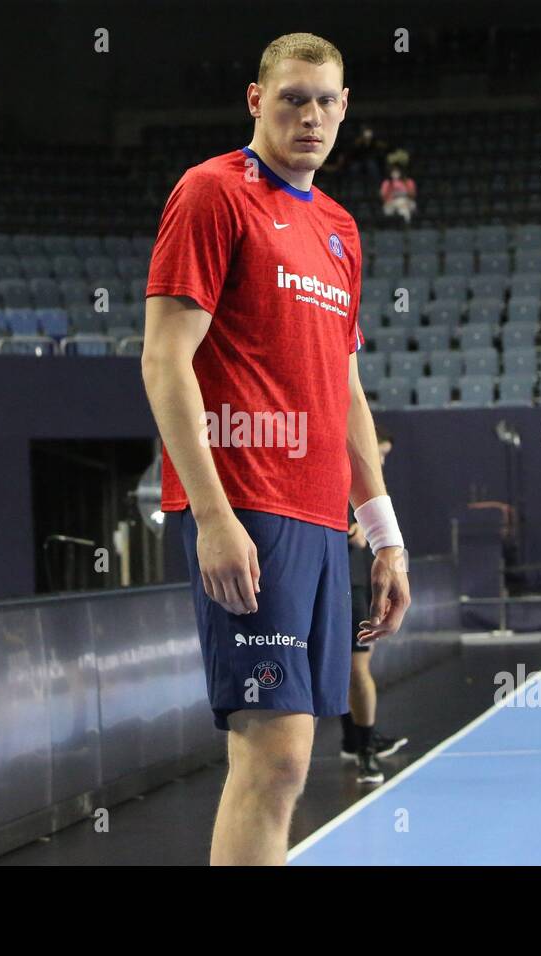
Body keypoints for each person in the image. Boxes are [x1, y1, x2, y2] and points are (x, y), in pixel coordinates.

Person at [141, 32, 411, 866]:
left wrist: (385, 530)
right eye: (294, 97)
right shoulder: (212, 194)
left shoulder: (339, 227)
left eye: (328, 101)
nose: (312, 116)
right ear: (257, 101)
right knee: (274, 755)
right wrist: (213, 516)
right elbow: (163, 358)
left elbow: (346, 390)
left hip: (322, 517)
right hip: (247, 504)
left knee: (291, 760)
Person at [341, 423, 409, 783]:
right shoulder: (334, 467)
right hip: (318, 578)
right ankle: (353, 739)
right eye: (379, 453)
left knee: (356, 669)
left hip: (351, 584)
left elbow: (362, 537)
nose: (380, 460)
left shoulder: (367, 494)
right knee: (336, 670)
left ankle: (365, 748)